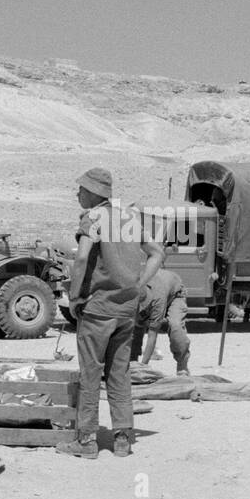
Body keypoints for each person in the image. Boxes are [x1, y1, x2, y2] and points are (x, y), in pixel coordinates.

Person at [61, 168, 163, 459]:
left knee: (91, 374)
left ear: (93, 192)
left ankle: (86, 441)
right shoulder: (129, 218)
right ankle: (122, 439)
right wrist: (138, 284)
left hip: (98, 309)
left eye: (80, 189)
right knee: (119, 374)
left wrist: (75, 296)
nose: (77, 194)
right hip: (126, 310)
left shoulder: (93, 217)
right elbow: (157, 253)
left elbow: (81, 257)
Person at [133, 267, 190, 374]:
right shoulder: (132, 289)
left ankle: (182, 366)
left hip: (175, 295)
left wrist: (144, 367)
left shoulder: (157, 300)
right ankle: (132, 362)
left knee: (175, 326)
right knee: (135, 328)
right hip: (159, 287)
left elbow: (152, 335)